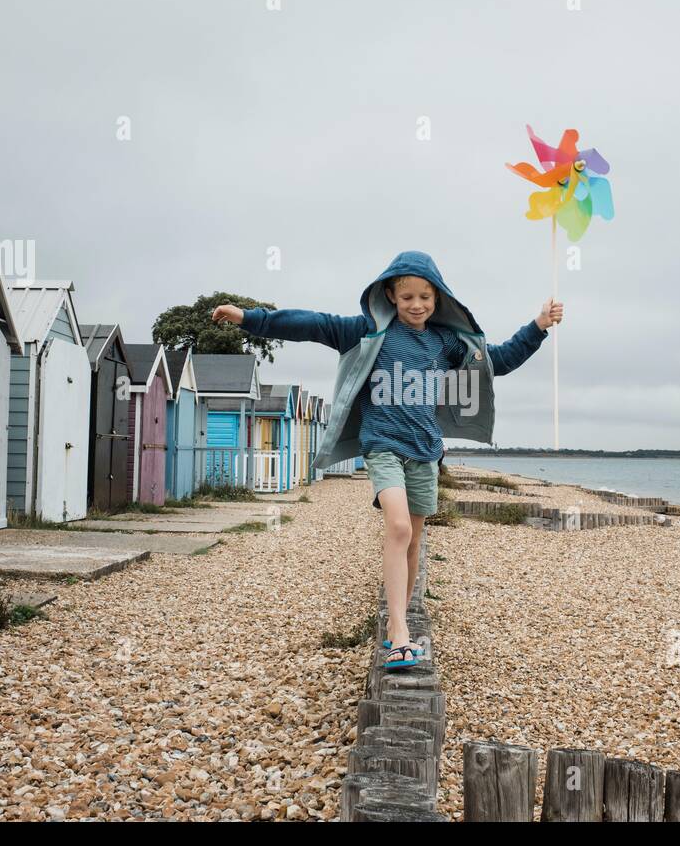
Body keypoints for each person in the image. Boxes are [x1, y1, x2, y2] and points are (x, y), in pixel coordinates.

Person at [212, 250, 562, 669]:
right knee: (397, 528)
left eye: (425, 297)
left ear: (438, 299)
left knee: (413, 541)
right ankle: (398, 632)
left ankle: (401, 621)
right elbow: (311, 323)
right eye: (407, 296)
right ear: (391, 296)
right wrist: (251, 318)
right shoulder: (368, 331)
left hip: (425, 452)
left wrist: (538, 326)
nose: (417, 305)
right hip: (383, 446)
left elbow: (497, 361)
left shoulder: (445, 342)